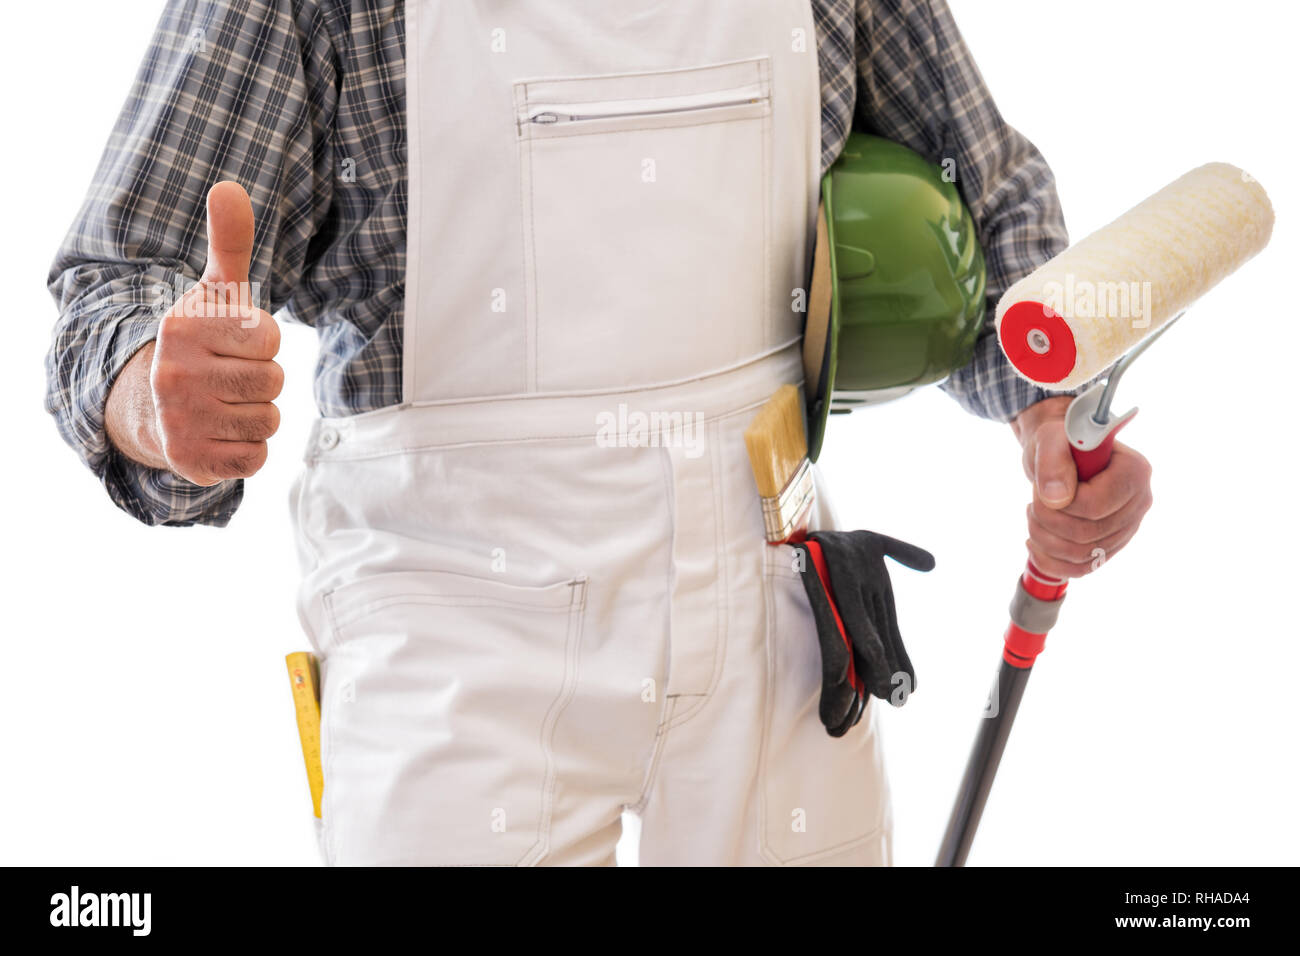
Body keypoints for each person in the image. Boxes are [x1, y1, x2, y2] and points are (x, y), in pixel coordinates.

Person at [46, 0, 1153, 866]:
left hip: (768, 611)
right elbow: (115, 283)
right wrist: (154, 396)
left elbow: (990, 193)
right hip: (453, 633)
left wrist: (1051, 409)